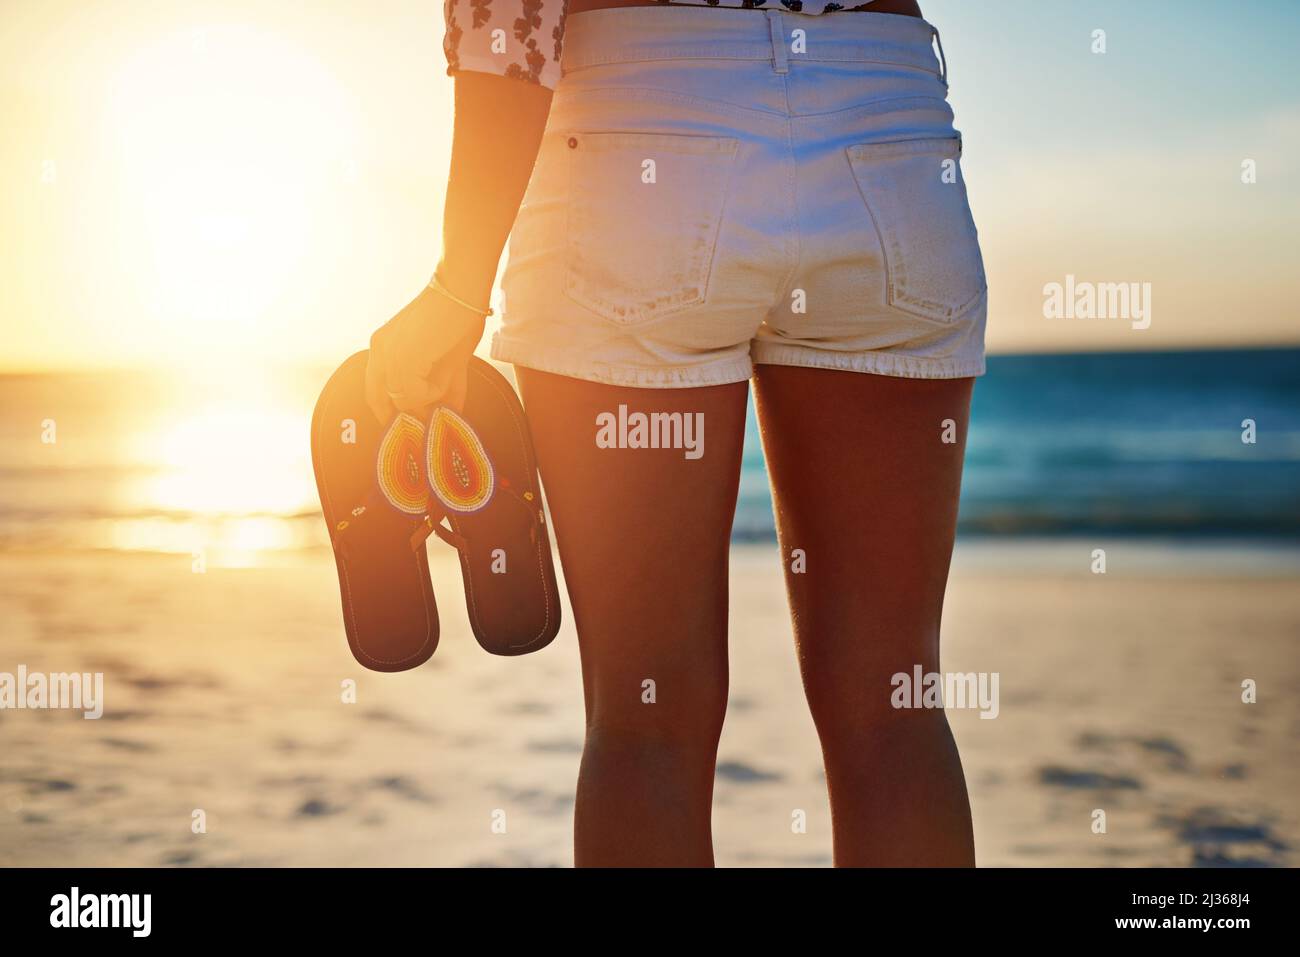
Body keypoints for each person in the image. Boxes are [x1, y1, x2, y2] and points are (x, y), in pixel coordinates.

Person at [366, 0, 985, 867]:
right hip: (888, 127)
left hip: (643, 123)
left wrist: (458, 284)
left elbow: (510, 23)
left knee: (644, 722)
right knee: (894, 705)